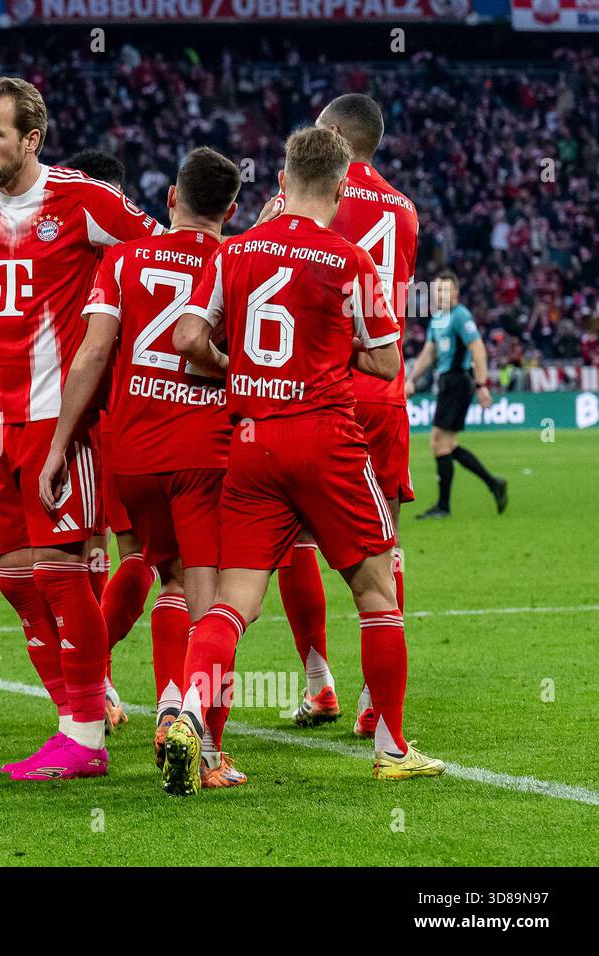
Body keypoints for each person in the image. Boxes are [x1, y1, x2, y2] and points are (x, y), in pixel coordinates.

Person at [166, 127, 445, 795]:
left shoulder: (233, 253)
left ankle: (196, 732)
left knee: (233, 604)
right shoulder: (349, 259)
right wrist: (318, 356)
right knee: (377, 593)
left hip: (252, 442)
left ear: (283, 180)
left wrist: (240, 369)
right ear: (342, 187)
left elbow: (187, 338)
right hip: (325, 438)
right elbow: (383, 359)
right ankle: (390, 745)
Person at [0, 78, 164, 780]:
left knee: (60, 570)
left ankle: (82, 735)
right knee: (17, 579)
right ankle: (78, 712)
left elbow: (166, 258)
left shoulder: (85, 199)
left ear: (31, 140)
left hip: (59, 420)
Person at [40, 146, 246, 788]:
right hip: (203, 454)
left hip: (129, 456)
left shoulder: (124, 260)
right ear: (232, 211)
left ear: (171, 200)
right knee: (212, 604)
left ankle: (137, 699)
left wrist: (57, 447)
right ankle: (201, 740)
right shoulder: (237, 261)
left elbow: (92, 354)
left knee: (164, 576)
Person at [274, 93, 421, 736]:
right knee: (383, 549)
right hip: (383, 392)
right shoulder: (406, 209)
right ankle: (374, 701)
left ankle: (318, 682)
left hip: (315, 387)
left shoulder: (300, 194)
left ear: (329, 137)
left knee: (295, 540)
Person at [59, 147, 158, 734]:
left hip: (65, 409)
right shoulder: (140, 254)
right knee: (142, 554)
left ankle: (91, 684)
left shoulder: (63, 248)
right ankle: (101, 680)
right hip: (129, 414)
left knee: (76, 551)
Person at [407, 270, 508, 519]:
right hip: (446, 383)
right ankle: (493, 484)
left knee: (439, 442)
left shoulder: (461, 316)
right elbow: (429, 353)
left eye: (445, 290)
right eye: (437, 291)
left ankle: (444, 506)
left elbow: (478, 349)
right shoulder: (438, 318)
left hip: (457, 382)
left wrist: (482, 384)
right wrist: (411, 379)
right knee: (446, 445)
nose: (440, 295)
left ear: (455, 292)